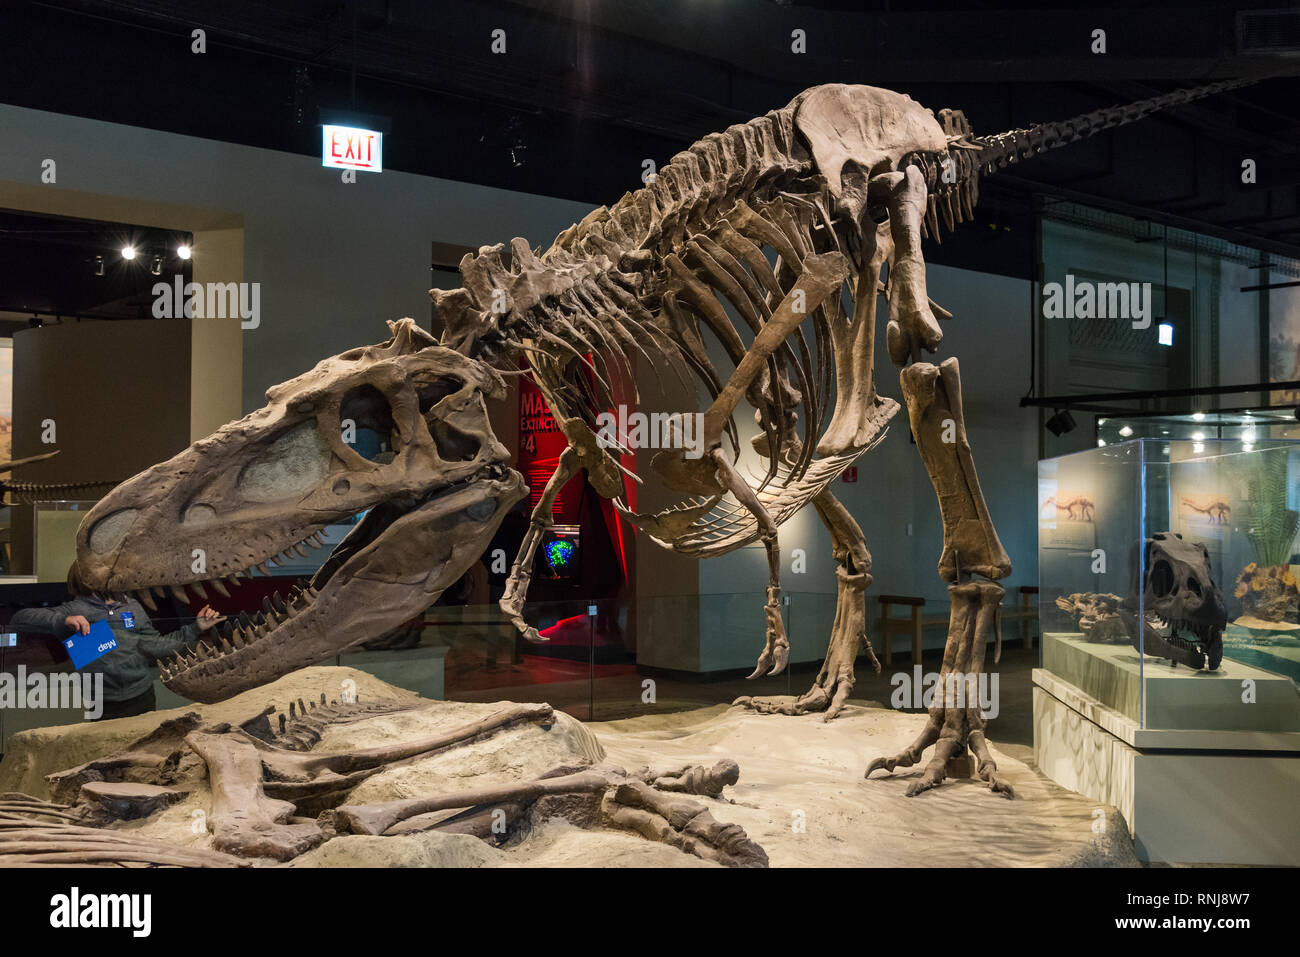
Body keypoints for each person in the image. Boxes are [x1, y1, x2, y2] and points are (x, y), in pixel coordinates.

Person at [9, 563, 225, 720]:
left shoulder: (132, 607)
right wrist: (63, 620)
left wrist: (196, 628)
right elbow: (20, 619)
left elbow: (156, 645)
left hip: (142, 696)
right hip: (102, 702)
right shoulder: (74, 609)